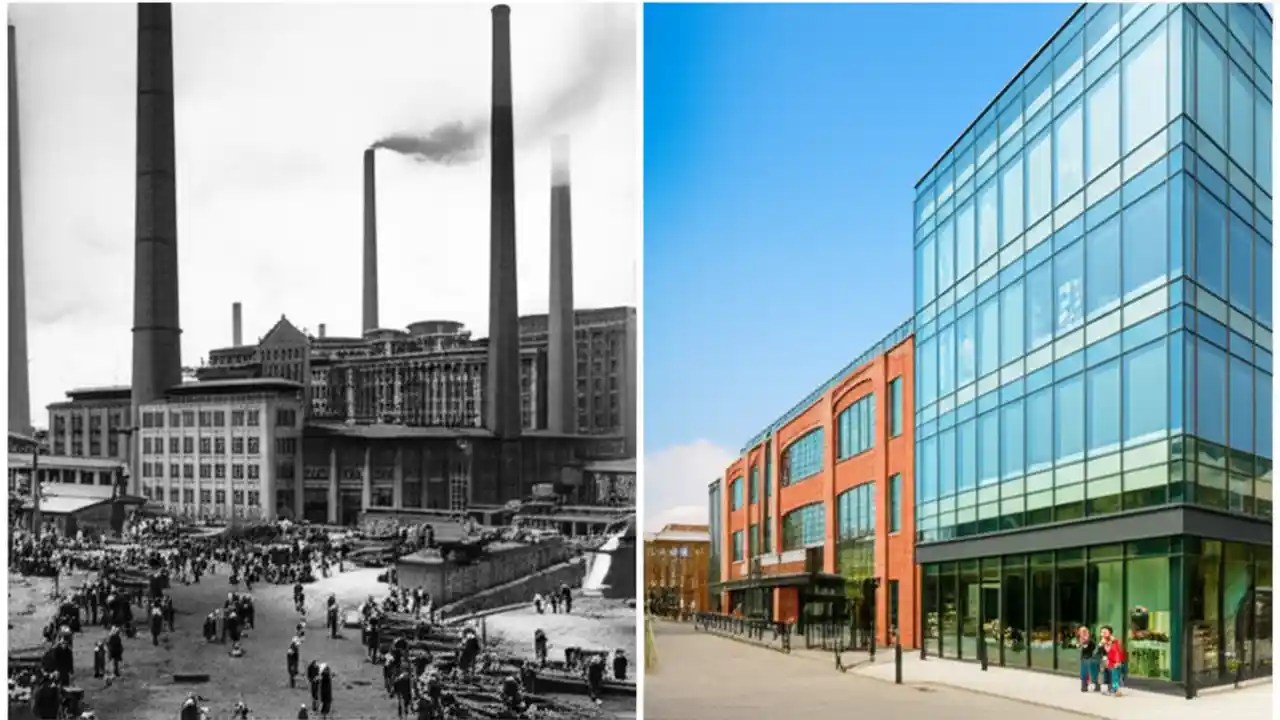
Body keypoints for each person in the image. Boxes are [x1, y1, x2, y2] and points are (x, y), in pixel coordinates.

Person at [1101, 626, 1126, 696]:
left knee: (1115, 676)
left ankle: (1115, 690)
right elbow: (1098, 653)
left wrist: (1118, 662)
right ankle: (1112, 689)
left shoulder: (1115, 642)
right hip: (1107, 662)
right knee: (1108, 676)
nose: (1103, 634)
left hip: (1114, 662)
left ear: (1110, 633)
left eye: (1105, 632)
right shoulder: (1103, 642)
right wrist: (1101, 645)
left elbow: (1118, 652)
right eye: (1102, 632)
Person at [1077, 626, 1100, 692]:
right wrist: (1080, 644)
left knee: (1093, 672)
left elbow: (1091, 647)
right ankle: (1084, 686)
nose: (1083, 633)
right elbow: (1080, 648)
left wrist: (1084, 641)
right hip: (1084, 658)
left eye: (1084, 631)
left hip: (1091, 658)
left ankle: (1096, 685)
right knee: (1084, 672)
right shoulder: (1081, 639)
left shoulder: (1090, 640)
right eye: (1081, 632)